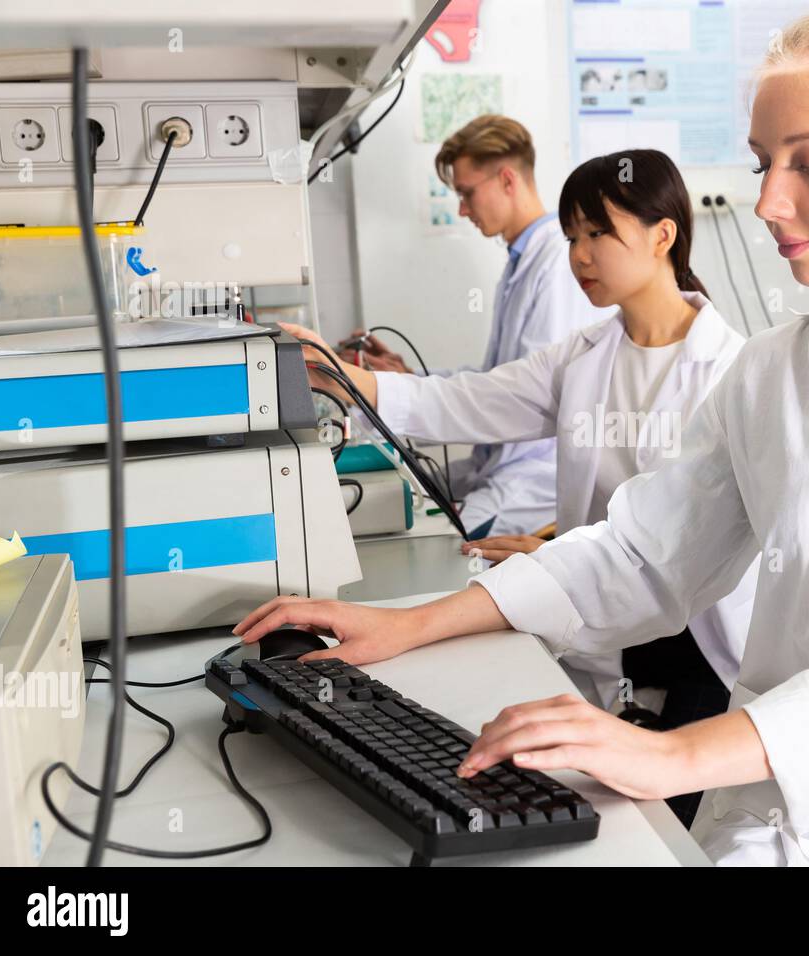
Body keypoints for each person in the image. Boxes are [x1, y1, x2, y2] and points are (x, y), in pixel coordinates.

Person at [238, 0, 809, 866]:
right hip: (784, 824)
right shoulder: (776, 371)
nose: (770, 200)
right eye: (762, 164)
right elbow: (641, 554)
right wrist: (407, 625)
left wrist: (678, 755)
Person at [281, 149, 757, 826]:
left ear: (662, 235)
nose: (580, 255)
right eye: (572, 237)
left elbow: (668, 530)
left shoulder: (732, 370)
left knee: (672, 828)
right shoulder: (584, 356)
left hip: (699, 650)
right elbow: (470, 401)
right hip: (604, 627)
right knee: (605, 816)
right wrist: (347, 379)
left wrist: (552, 544)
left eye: (599, 233)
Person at [287, 114, 611, 539]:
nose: (461, 208)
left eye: (466, 193)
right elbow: (502, 382)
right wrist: (407, 377)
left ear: (508, 180)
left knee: (448, 547)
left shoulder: (555, 266)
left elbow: (521, 401)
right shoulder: (522, 261)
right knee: (412, 499)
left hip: (532, 482)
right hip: (501, 468)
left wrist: (364, 384)